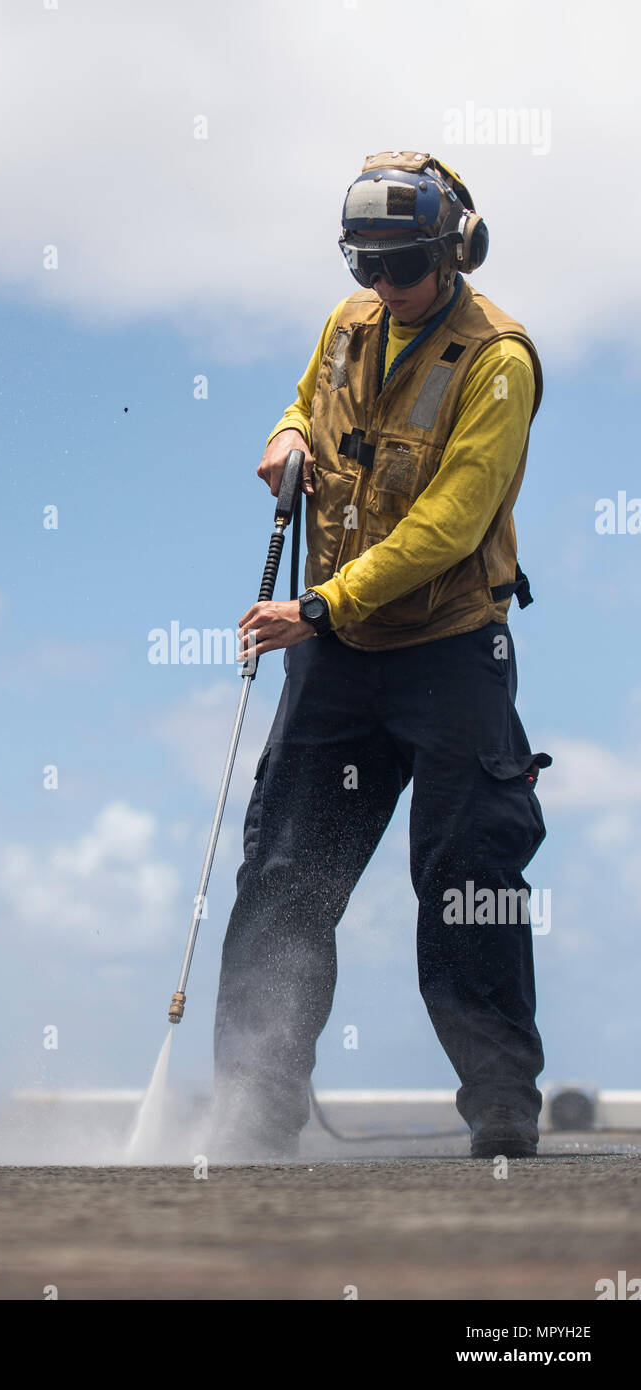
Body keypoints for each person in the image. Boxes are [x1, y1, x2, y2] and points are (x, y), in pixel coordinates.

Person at [210, 150, 551, 1161]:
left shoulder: (498, 360)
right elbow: (306, 399)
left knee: (466, 880)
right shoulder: (349, 324)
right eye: (366, 267)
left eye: (402, 268)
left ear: (454, 250)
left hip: (448, 654)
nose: (383, 289)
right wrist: (283, 436)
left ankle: (500, 1110)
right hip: (339, 654)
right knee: (282, 876)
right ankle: (251, 1110)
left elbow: (452, 522)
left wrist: (320, 604)